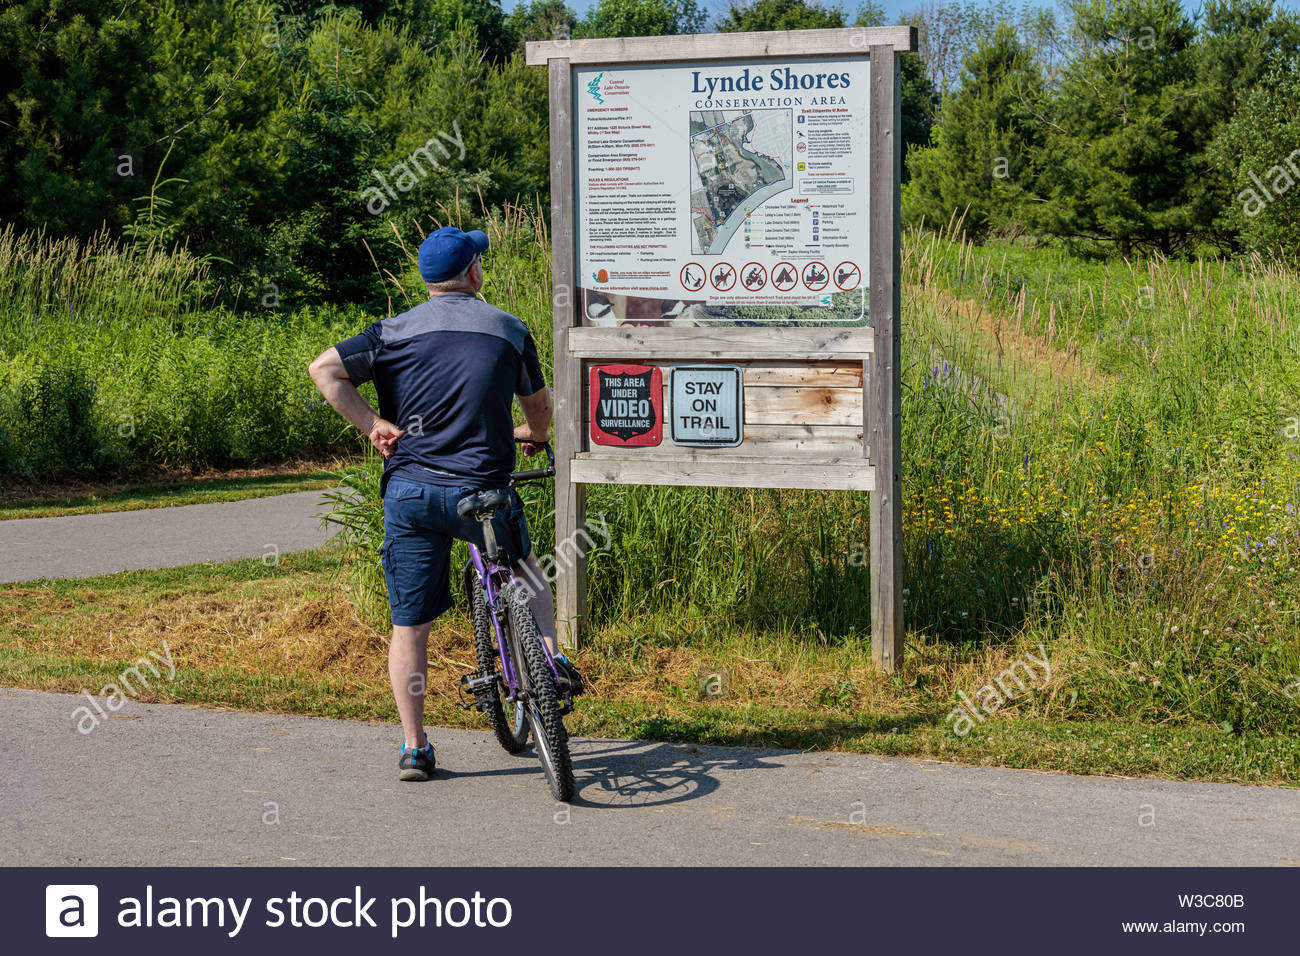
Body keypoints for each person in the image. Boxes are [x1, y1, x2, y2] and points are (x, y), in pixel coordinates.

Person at [308, 226, 583, 782]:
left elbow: (324, 370)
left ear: (426, 279)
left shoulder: (390, 331)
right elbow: (538, 403)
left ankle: (414, 748)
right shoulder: (507, 329)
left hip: (411, 494)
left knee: (410, 625)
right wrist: (531, 431)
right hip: (482, 489)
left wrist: (374, 425)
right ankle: (549, 665)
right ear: (475, 273)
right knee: (528, 575)